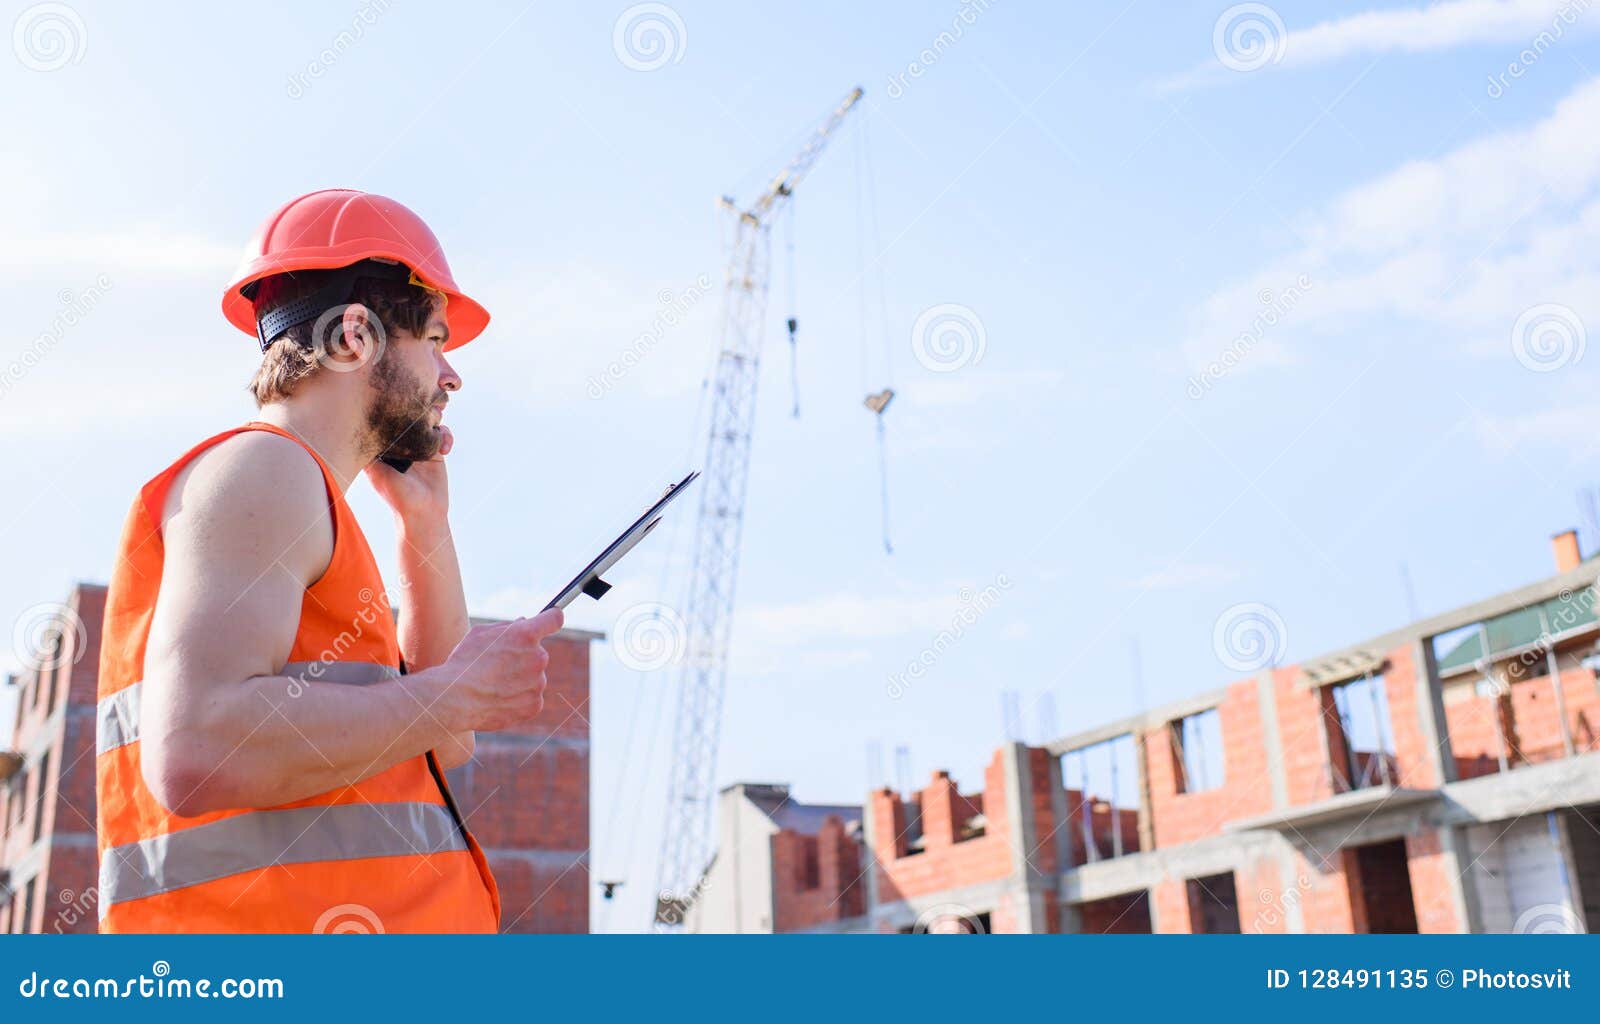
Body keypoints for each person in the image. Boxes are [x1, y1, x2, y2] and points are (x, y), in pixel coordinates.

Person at [94, 189, 560, 933]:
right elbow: (200, 747)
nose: (452, 376)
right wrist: (455, 694)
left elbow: (446, 738)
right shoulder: (260, 472)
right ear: (355, 336)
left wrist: (425, 527)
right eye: (434, 340)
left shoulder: (309, 501)